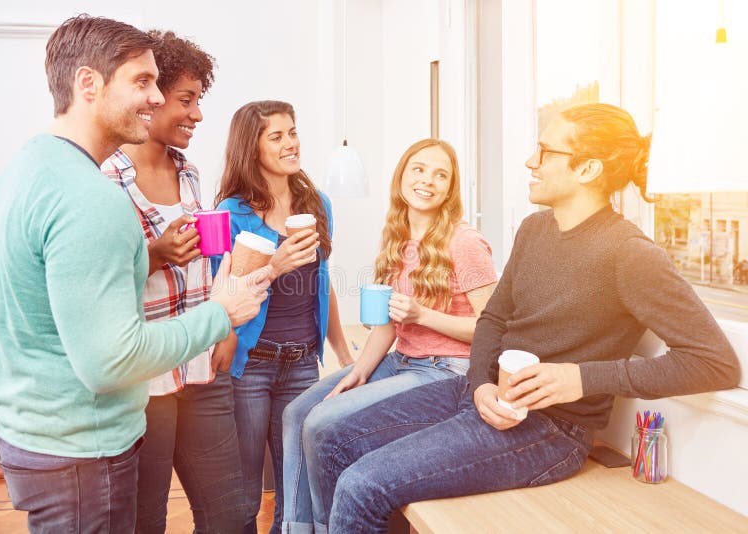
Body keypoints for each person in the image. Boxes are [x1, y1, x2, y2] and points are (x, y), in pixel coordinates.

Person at [306, 103, 741, 533]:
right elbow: (493, 319)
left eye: (545, 151)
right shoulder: (535, 229)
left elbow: (714, 362)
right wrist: (480, 382)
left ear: (587, 169)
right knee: (329, 439)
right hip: (481, 393)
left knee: (363, 485)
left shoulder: (630, 254)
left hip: (552, 429)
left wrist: (581, 378)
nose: (531, 161)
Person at [0, 16, 269, 533]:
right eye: (143, 82)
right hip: (83, 446)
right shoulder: (91, 195)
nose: (156, 98)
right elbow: (112, 362)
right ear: (88, 84)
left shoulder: (30, 167)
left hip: (48, 438)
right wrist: (221, 314)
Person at [280, 138, 497, 533]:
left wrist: (423, 315)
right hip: (402, 361)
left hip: (446, 371)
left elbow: (493, 330)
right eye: (419, 169)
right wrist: (359, 371)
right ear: (401, 177)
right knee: (297, 413)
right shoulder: (397, 236)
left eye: (440, 175)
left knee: (321, 424)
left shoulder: (465, 242)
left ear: (450, 188)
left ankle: (330, 527)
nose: (427, 180)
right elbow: (388, 324)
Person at [101, 31, 246, 533]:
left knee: (230, 515)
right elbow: (96, 282)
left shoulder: (189, 172)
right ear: (152, 96)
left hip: (203, 365)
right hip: (145, 380)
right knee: (147, 519)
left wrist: (226, 326)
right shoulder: (104, 179)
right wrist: (154, 256)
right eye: (186, 100)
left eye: (198, 100)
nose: (197, 114)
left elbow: (208, 265)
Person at [214, 100, 354, 534]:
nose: (290, 143)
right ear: (251, 148)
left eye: (292, 132)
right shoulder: (232, 213)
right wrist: (275, 266)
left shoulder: (317, 204)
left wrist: (344, 353)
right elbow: (224, 296)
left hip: (302, 364)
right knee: (244, 491)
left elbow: (322, 282)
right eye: (276, 136)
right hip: (250, 365)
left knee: (295, 491)